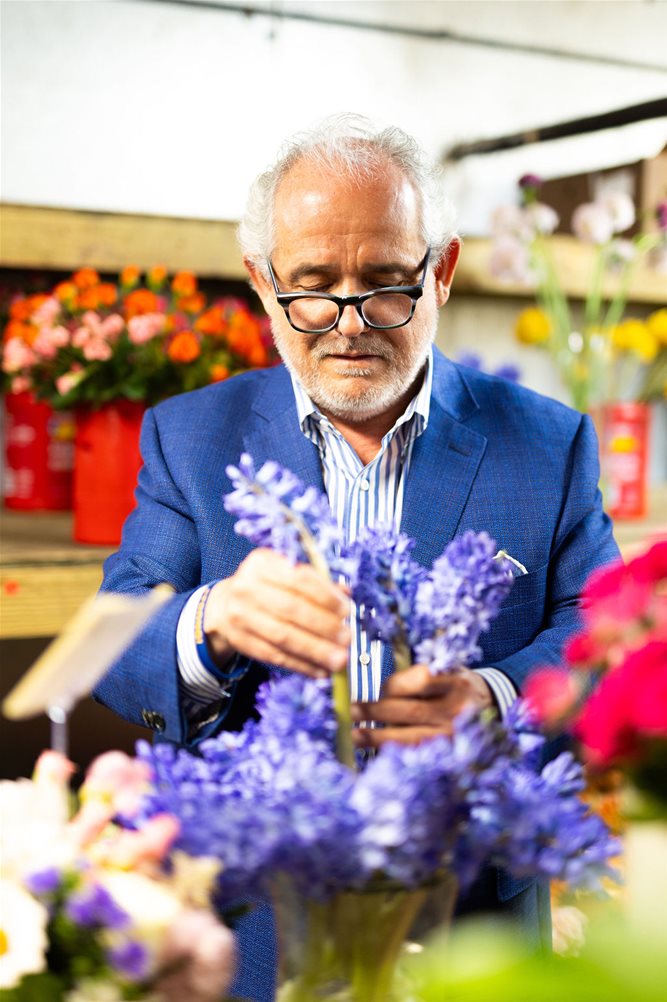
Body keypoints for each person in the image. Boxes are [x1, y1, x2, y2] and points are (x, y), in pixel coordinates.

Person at [95, 114, 619, 1000]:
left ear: (441, 272)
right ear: (263, 286)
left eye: (385, 286)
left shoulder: (548, 443)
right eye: (310, 289)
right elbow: (119, 632)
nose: (347, 326)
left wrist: (495, 703)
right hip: (252, 934)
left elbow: (602, 632)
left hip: (474, 933)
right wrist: (209, 618)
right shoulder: (190, 437)